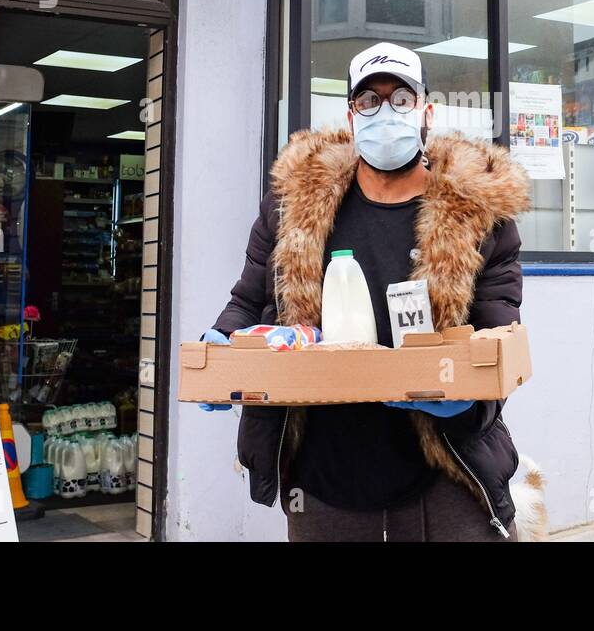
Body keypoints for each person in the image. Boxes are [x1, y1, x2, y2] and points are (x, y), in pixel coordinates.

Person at [203, 41, 531, 541]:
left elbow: (496, 338)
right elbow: (249, 300)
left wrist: (467, 400)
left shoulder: (479, 218)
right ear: (351, 115)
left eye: (400, 99)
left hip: (446, 478)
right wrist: (222, 347)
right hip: (324, 479)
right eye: (369, 101)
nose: (385, 112)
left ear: (426, 111)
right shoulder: (291, 209)